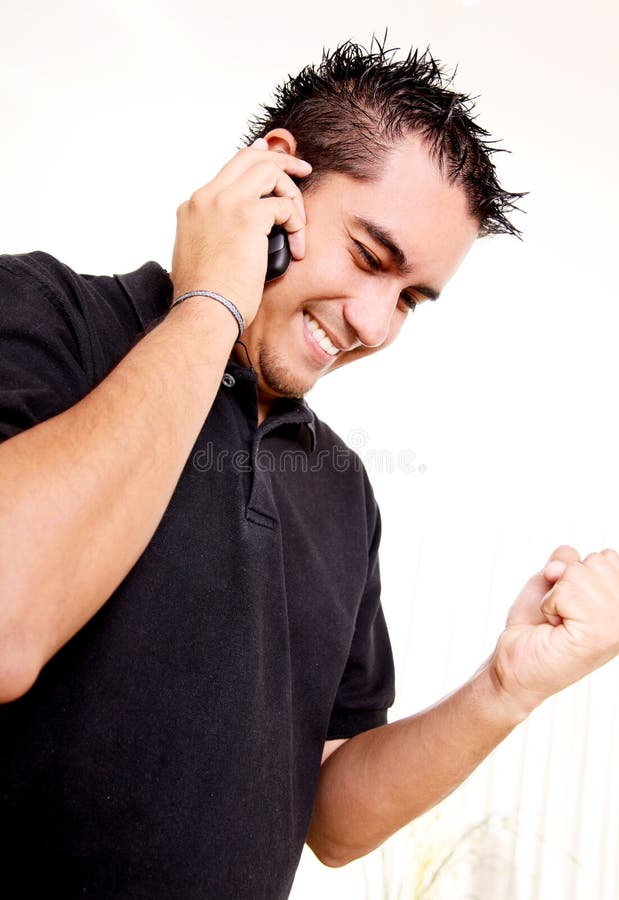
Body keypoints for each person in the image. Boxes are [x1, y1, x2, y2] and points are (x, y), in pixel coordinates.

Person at [0, 37, 618, 900]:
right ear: (275, 183)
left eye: (410, 299)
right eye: (369, 257)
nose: (373, 323)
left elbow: (327, 816)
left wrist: (503, 690)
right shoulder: (44, 317)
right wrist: (211, 300)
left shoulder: (342, 490)